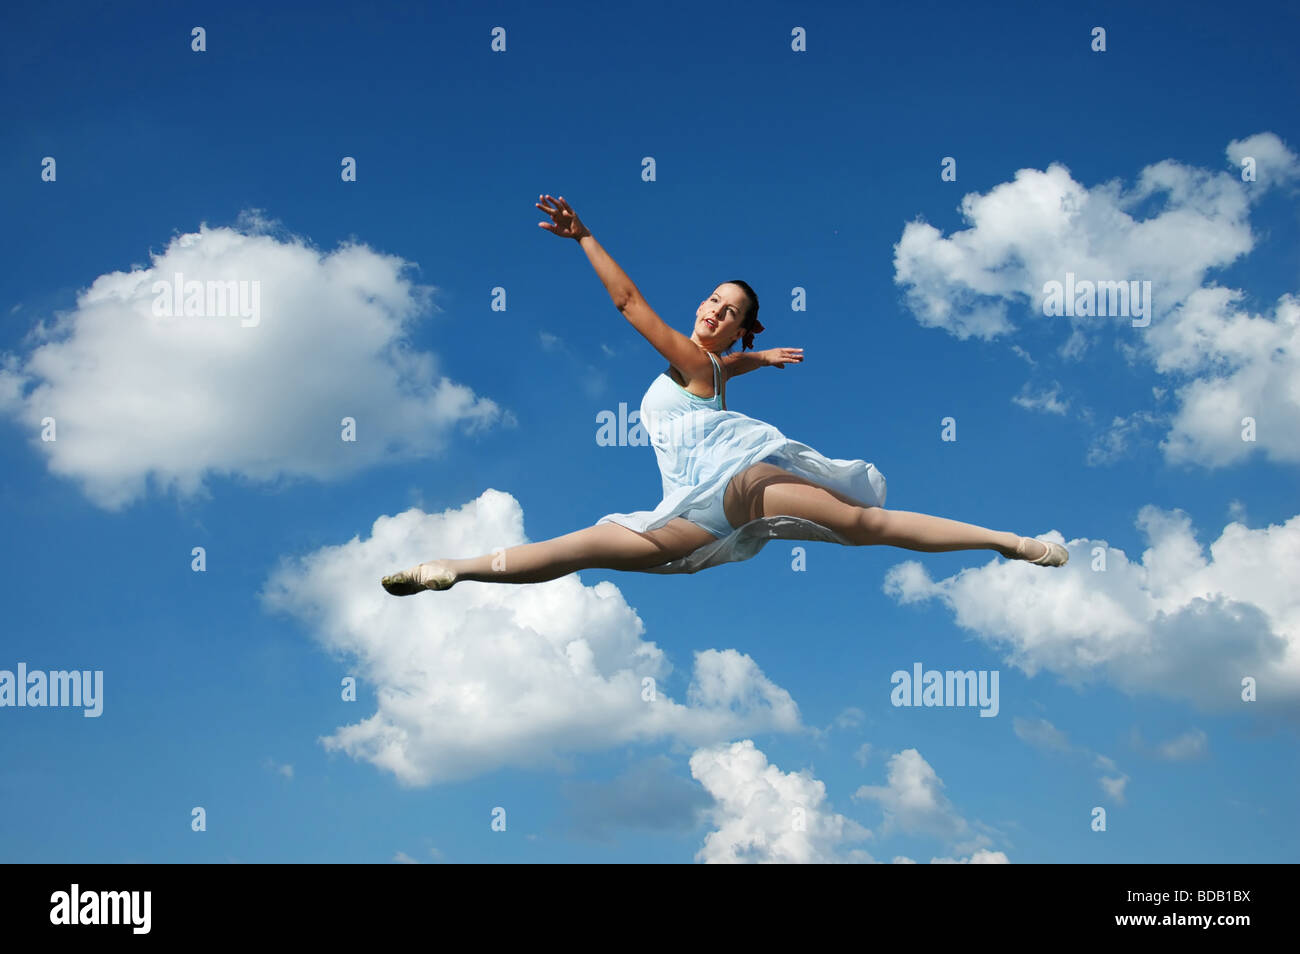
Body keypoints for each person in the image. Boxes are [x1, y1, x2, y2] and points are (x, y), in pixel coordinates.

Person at [381, 194, 1066, 594]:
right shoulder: (707, 371)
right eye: (713, 300)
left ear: (736, 326)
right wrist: (757, 358)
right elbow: (721, 375)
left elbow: (628, 303)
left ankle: (1010, 542)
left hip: (741, 483)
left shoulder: (693, 359)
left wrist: (585, 237)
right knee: (581, 547)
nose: (715, 311)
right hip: (690, 516)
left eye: (730, 311)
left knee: (865, 528)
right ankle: (451, 570)